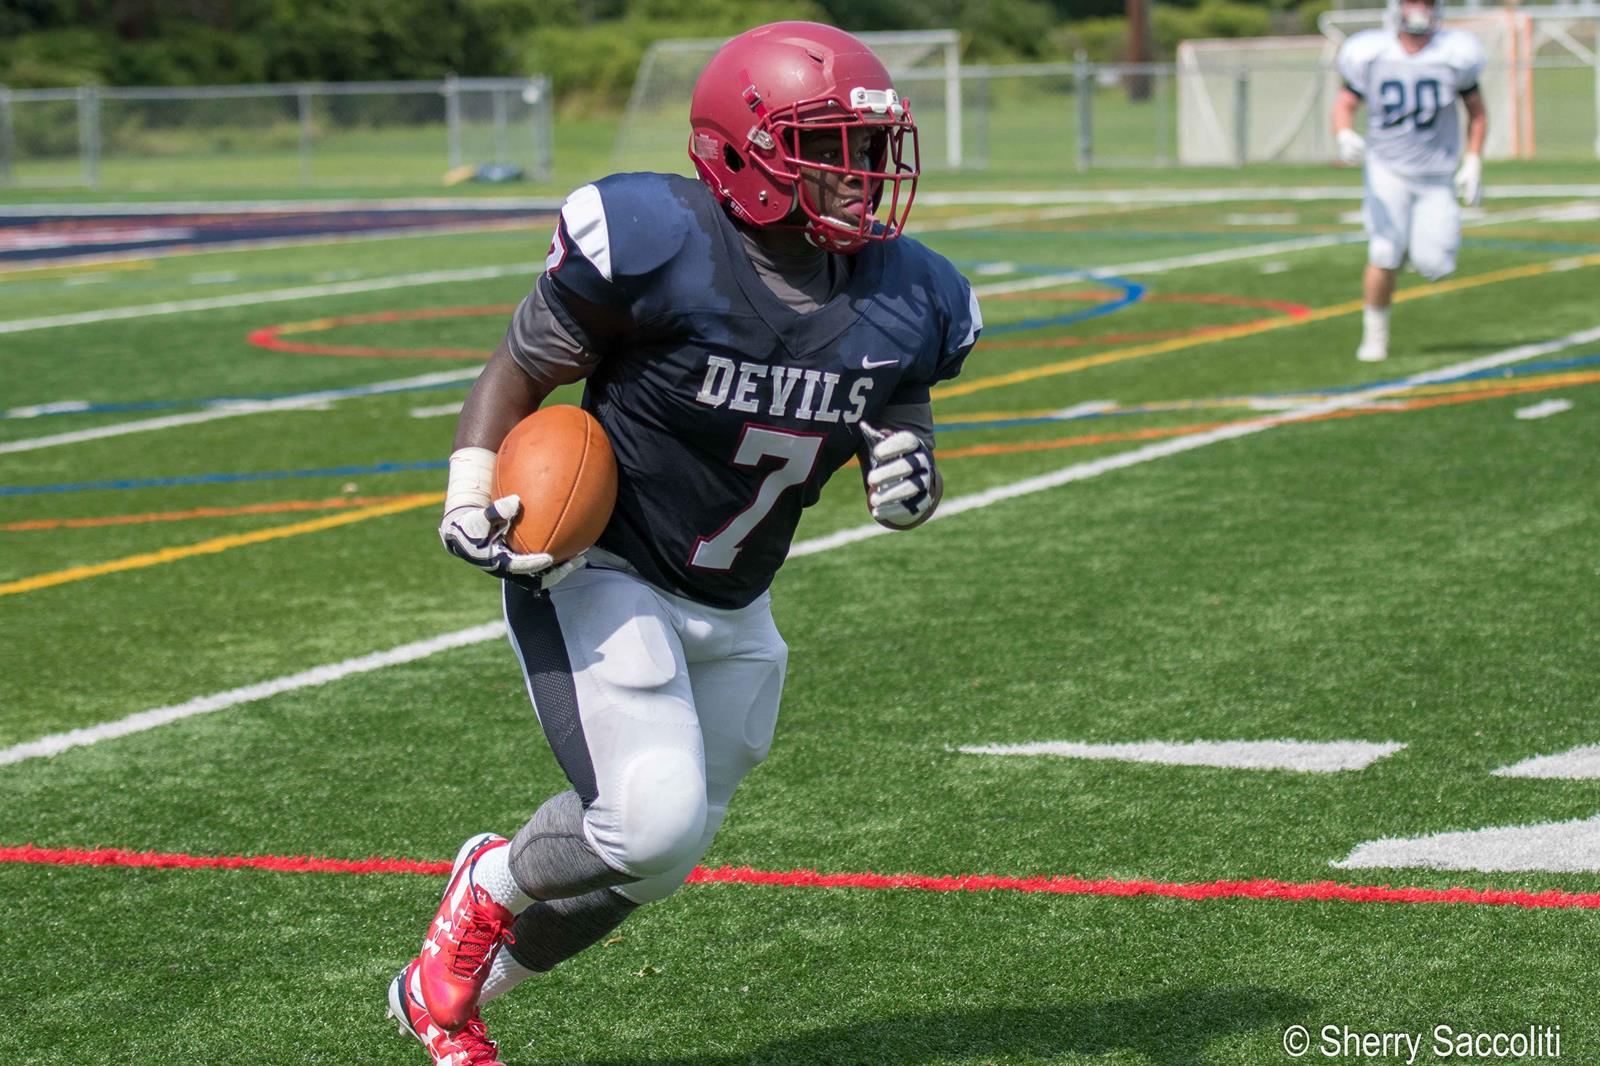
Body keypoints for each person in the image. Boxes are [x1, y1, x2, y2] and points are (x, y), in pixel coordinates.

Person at [384, 21, 982, 1066]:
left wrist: (910, 475)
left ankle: (464, 980)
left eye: (869, 148)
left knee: (656, 859)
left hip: (735, 600)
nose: (862, 175)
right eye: (828, 146)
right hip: (602, 565)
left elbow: (901, 410)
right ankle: (486, 882)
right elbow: (522, 363)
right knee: (649, 820)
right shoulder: (662, 242)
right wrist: (469, 486)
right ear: (744, 154)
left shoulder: (911, 294)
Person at [1332, 0, 1487, 362]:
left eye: (1427, 2)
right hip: (1387, 167)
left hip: (1436, 173)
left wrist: (1474, 159)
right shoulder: (1372, 52)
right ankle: (1375, 338)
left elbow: (1477, 112)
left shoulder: (1454, 52)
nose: (1420, 9)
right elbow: (1344, 103)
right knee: (1384, 251)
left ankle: (1408, 248)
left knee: (1436, 265)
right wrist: (1343, 134)